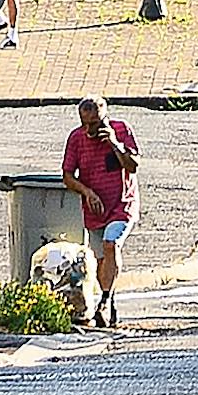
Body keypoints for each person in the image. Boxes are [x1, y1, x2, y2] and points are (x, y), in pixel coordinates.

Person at [60, 92, 141, 334]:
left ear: (104, 117)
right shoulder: (76, 138)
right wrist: (87, 192)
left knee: (111, 243)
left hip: (122, 204)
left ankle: (104, 300)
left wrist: (115, 144)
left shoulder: (121, 129)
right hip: (95, 208)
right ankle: (110, 303)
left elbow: (133, 166)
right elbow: (67, 175)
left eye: (94, 124)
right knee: (100, 261)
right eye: (85, 123)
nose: (89, 129)